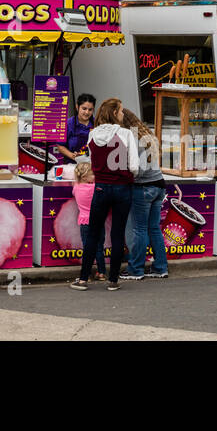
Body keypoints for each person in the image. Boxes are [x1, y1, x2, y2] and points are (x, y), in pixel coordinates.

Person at [71, 97, 138, 292]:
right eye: (121, 111)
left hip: (100, 188)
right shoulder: (126, 134)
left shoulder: (93, 135)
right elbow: (134, 166)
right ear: (114, 113)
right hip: (123, 188)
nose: (123, 114)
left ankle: (83, 279)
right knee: (117, 234)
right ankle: (113, 280)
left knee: (93, 233)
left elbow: (92, 163)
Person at [120, 109, 168, 281]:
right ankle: (160, 267)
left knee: (139, 229)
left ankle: (136, 269)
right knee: (154, 229)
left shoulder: (132, 138)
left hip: (143, 187)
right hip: (159, 184)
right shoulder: (146, 134)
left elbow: (137, 171)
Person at [72, 160, 105, 281]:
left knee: (87, 247)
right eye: (93, 174)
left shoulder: (76, 188)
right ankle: (101, 272)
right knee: (99, 247)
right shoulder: (96, 188)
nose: (95, 177)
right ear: (85, 177)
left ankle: (87, 273)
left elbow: (74, 187)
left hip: (85, 222)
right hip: (98, 220)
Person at [58, 94, 95, 162]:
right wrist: (73, 156)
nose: (87, 112)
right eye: (84, 109)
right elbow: (60, 146)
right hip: (72, 164)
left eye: (90, 110)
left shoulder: (97, 124)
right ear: (77, 107)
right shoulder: (68, 124)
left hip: (92, 164)